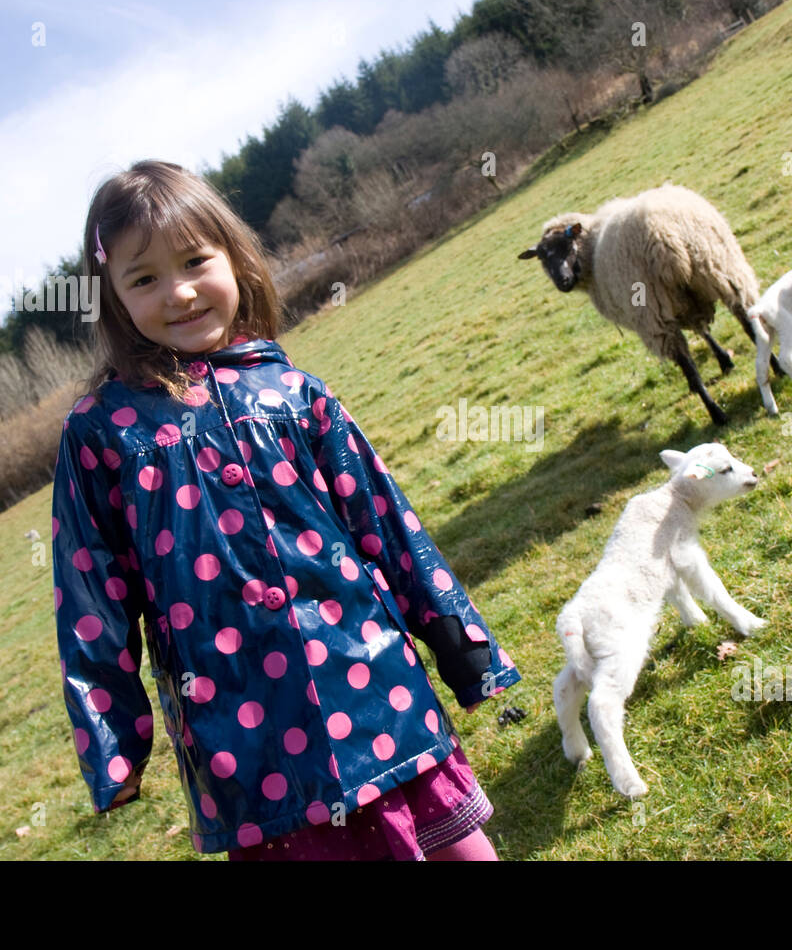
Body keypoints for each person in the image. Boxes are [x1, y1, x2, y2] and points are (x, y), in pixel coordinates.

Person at [52, 160, 520, 860]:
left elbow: (388, 527)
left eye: (193, 261)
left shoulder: (295, 392)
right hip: (247, 750)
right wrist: (114, 745)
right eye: (143, 278)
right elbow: (91, 601)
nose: (178, 292)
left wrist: (464, 648)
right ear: (113, 298)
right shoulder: (101, 433)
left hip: (380, 699)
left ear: (236, 260)